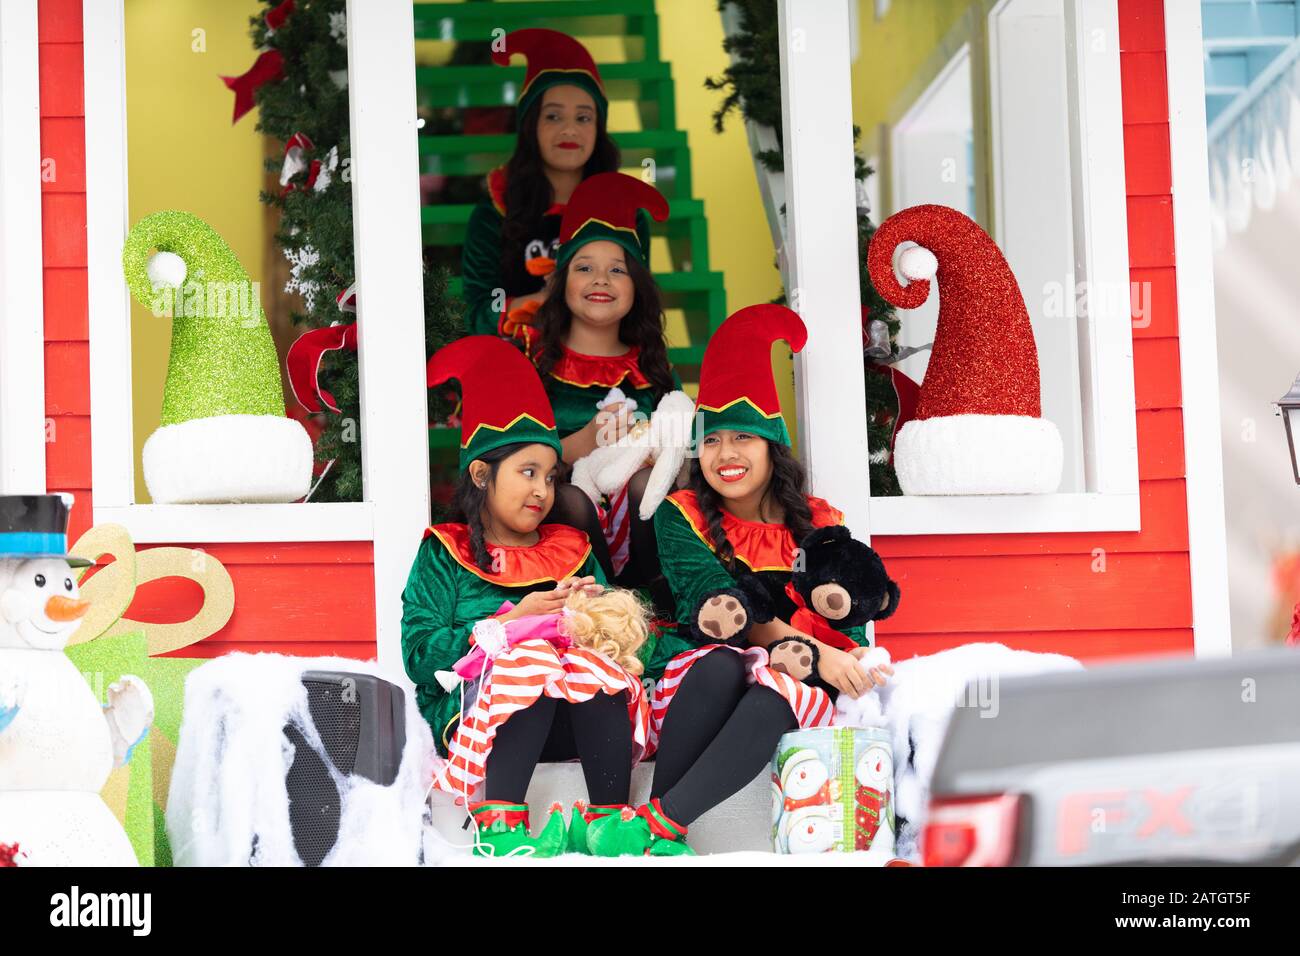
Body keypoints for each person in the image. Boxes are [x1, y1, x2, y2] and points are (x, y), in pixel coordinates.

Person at [586, 305, 894, 856]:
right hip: (710, 666)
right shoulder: (683, 516)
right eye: (711, 441)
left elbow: (854, 620)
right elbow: (715, 604)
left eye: (742, 439)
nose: (725, 455)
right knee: (723, 662)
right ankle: (663, 817)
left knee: (777, 692)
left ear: (772, 447)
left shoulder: (824, 522)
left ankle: (659, 828)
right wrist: (817, 652)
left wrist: (833, 658)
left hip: (792, 683)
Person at [403, 336, 650, 857]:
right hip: (471, 721)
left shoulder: (572, 548)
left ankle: (609, 825)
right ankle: (500, 828)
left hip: (567, 723)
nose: (542, 490)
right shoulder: (444, 551)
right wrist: (512, 625)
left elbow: (626, 645)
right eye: (527, 473)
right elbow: (420, 656)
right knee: (530, 661)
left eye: (551, 477)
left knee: (591, 671)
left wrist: (593, 617)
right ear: (480, 474)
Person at [529, 172, 680, 589]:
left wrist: (659, 452)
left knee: (648, 482)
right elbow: (512, 461)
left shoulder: (655, 370)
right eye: (584, 267)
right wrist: (583, 443)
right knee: (571, 499)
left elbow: (690, 438)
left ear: (636, 287)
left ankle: (653, 602)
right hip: (566, 532)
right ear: (561, 283)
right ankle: (599, 600)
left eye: (617, 269)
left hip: (643, 529)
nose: (601, 279)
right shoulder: (534, 365)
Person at [461, 29, 651, 340]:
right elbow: (476, 314)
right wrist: (537, 303)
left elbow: (638, 308)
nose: (569, 130)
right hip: (515, 370)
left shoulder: (628, 215)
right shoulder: (492, 214)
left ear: (598, 128)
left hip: (600, 371)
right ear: (531, 125)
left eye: (584, 118)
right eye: (553, 116)